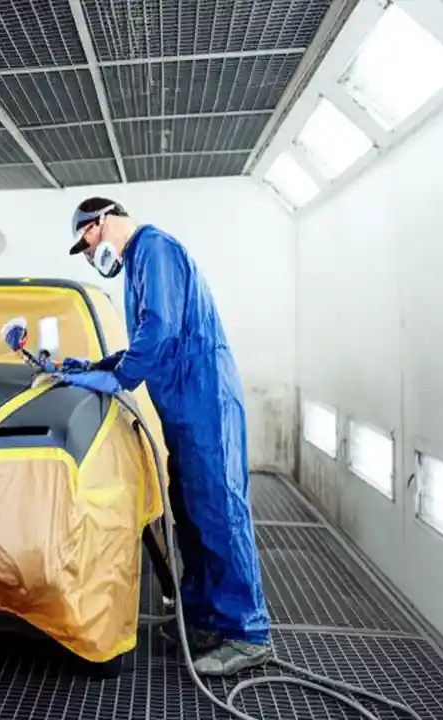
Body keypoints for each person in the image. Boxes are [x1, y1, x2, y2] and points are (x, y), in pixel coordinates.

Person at [58, 196, 272, 676]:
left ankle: (247, 631)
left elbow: (159, 332)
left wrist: (118, 378)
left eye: (87, 242)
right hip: (182, 409)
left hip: (206, 404)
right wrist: (97, 367)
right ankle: (202, 619)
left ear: (103, 220)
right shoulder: (137, 265)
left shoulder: (153, 248)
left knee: (219, 512)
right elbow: (143, 345)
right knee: (192, 517)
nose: (91, 255)